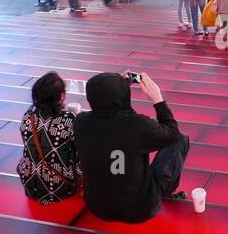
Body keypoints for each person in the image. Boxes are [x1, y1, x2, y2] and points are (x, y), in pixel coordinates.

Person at [74, 72, 190, 224]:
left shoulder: (80, 122)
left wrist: (115, 88)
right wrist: (158, 99)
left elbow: (113, 126)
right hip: (140, 209)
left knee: (119, 153)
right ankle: (163, 193)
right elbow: (172, 133)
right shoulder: (137, 125)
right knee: (180, 140)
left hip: (98, 208)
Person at [18, 72, 81, 204]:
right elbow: (80, 152)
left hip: (29, 184)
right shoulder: (69, 119)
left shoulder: (28, 116)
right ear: (62, 96)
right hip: (61, 188)